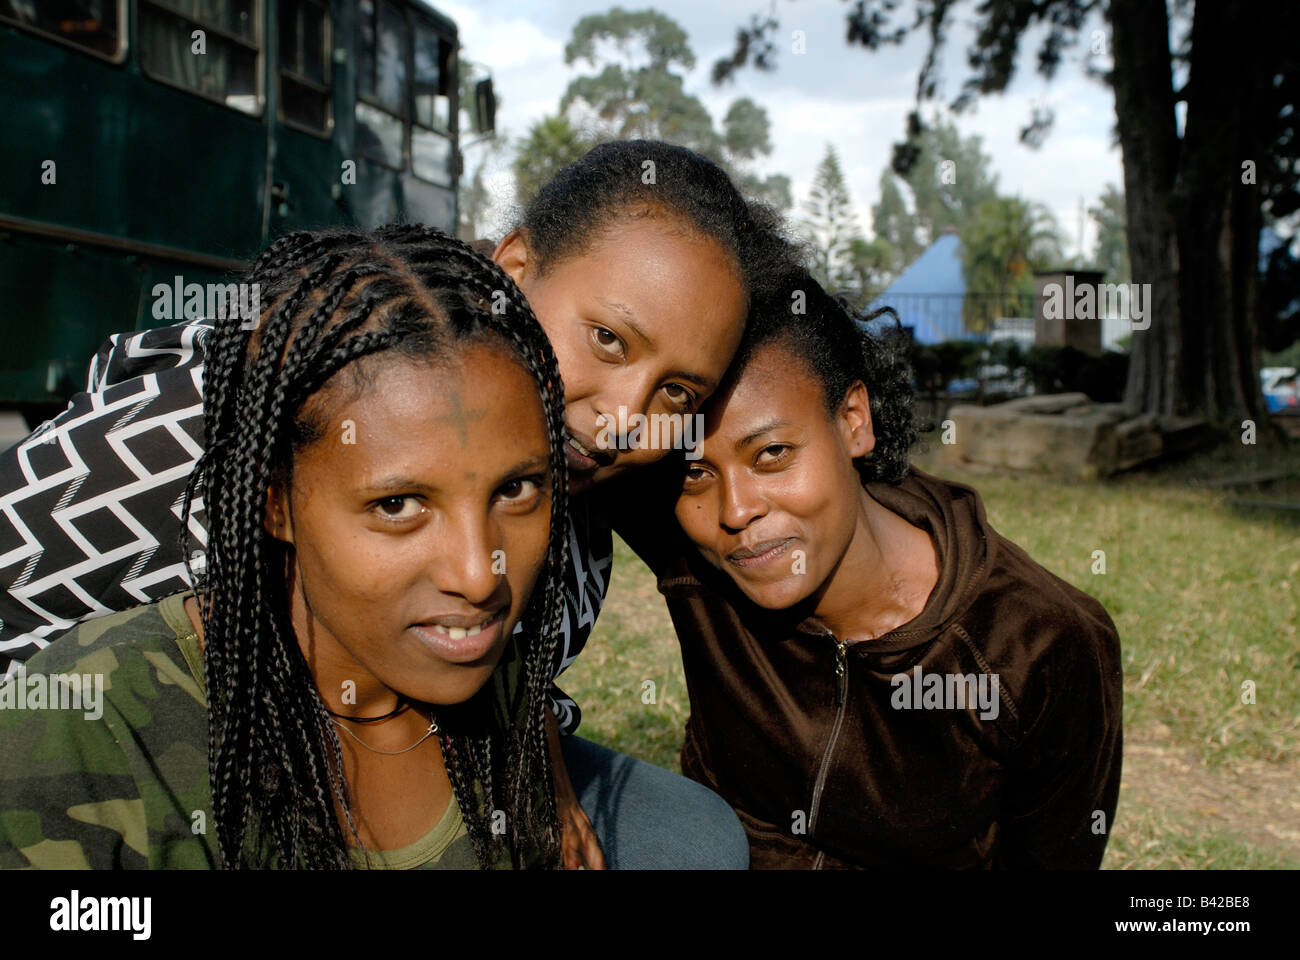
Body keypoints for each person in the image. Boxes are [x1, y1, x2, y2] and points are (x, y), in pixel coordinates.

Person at [0, 140, 792, 869]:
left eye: (677, 389)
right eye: (610, 340)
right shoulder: (223, 432)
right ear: (515, 267)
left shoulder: (590, 478)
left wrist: (539, 759)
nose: (622, 415)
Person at [0, 225, 573, 869]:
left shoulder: (501, 683)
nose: (479, 574)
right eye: (397, 505)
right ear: (276, 502)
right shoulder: (93, 723)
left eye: (518, 488)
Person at [613, 274, 1124, 868]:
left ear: (854, 420)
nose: (735, 510)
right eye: (696, 473)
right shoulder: (689, 544)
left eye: (772, 454)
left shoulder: (1040, 644)